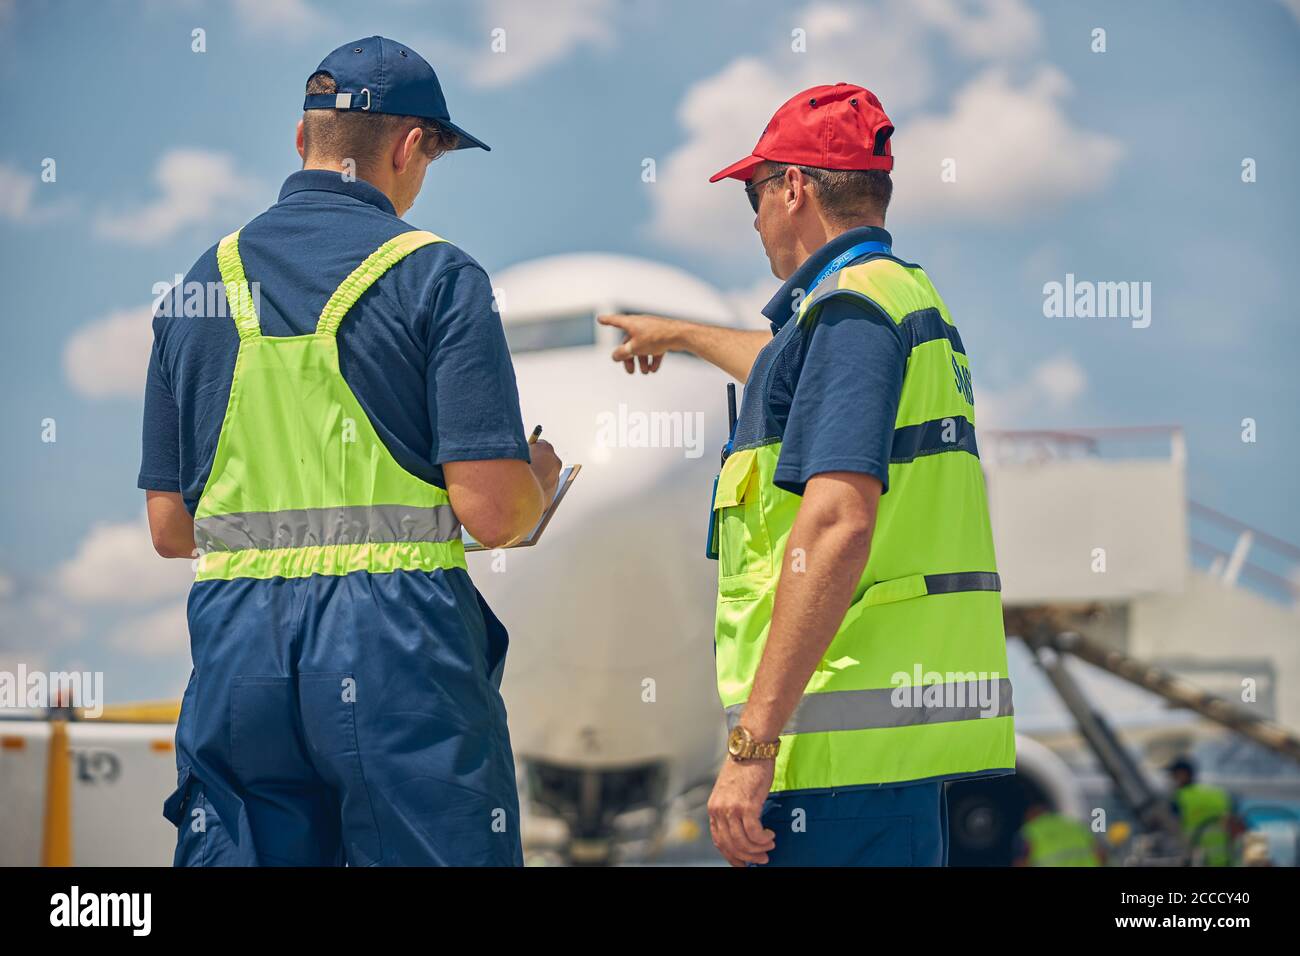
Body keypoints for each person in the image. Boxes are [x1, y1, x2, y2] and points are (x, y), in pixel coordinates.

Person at [140, 36, 561, 866]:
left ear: (303, 141)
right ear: (410, 149)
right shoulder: (437, 276)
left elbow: (170, 527)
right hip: (396, 641)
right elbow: (493, 512)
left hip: (236, 649)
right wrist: (536, 483)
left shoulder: (196, 283)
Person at [599, 83, 1014, 866]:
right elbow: (792, 372)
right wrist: (683, 333)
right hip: (883, 748)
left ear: (793, 188)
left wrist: (752, 748)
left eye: (753, 195)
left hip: (832, 759)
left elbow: (836, 524)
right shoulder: (892, 299)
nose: (754, 220)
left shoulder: (850, 315)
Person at [1168, 756, 1239, 866]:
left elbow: (1170, 830)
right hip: (1229, 859)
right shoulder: (1217, 793)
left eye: (1173, 775)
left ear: (1183, 775)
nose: (1171, 779)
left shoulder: (1179, 799)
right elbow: (1237, 823)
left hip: (1202, 861)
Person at [1013, 804, 1102, 866]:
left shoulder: (1030, 831)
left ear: (1030, 816)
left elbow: (1021, 862)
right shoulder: (1077, 826)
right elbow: (1100, 854)